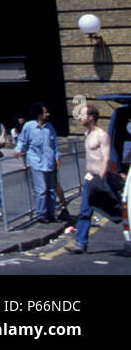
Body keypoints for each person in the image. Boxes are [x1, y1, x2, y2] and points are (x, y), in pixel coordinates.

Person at [66, 103, 126, 254]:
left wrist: (100, 178)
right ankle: (81, 243)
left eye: (83, 115)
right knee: (85, 211)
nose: (79, 117)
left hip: (101, 178)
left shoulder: (102, 135)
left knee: (117, 210)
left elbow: (106, 158)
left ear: (91, 117)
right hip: (90, 178)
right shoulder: (87, 134)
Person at [15, 102, 61, 222]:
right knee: (41, 190)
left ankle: (51, 213)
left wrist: (57, 158)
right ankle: (41, 214)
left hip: (49, 162)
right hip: (37, 162)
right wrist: (18, 150)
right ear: (38, 114)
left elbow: (55, 145)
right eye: (45, 112)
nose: (48, 114)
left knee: (51, 190)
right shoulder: (29, 126)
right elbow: (22, 141)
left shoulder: (50, 127)